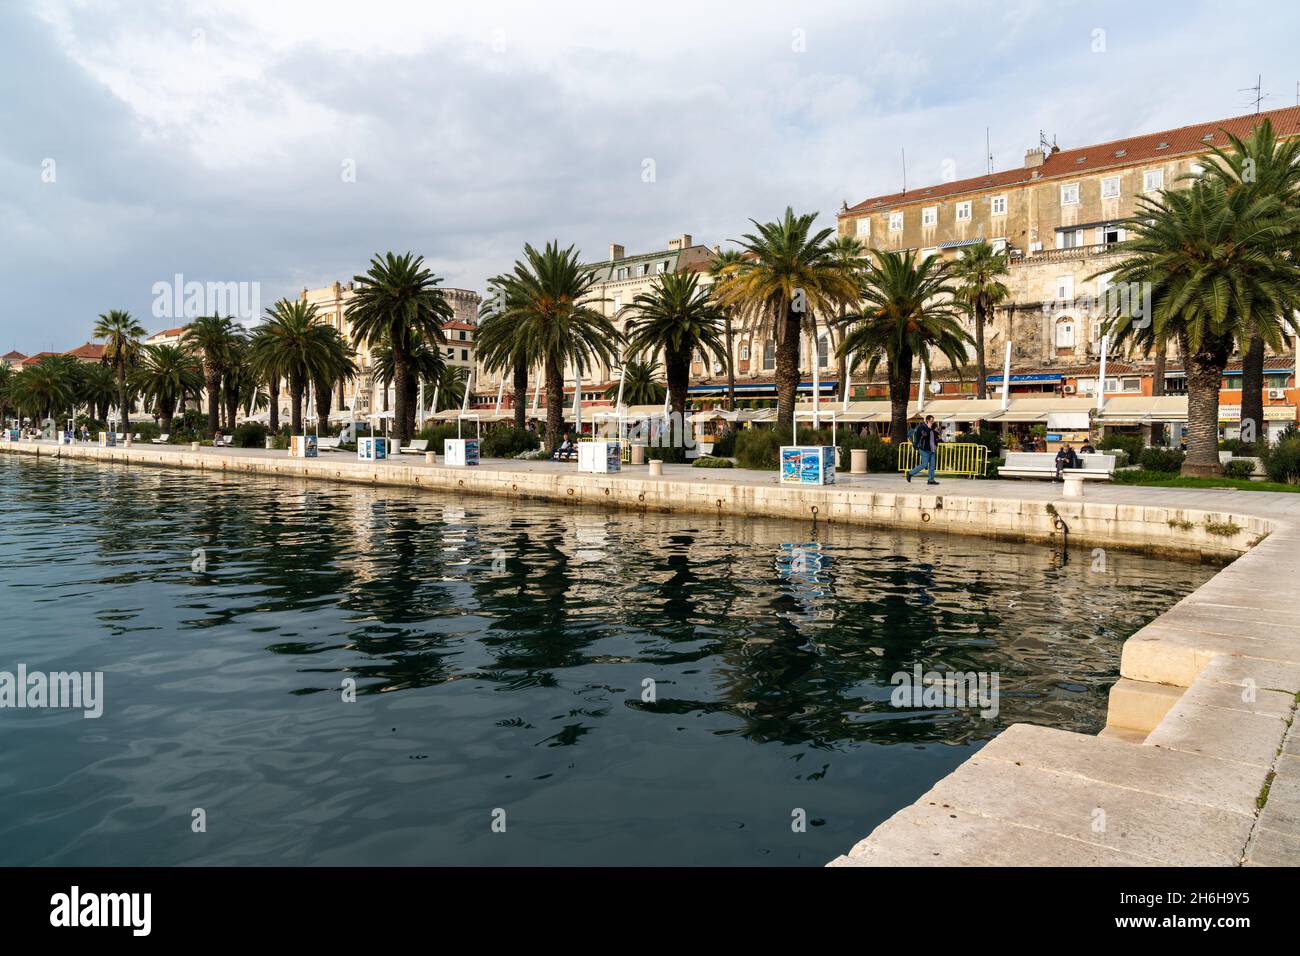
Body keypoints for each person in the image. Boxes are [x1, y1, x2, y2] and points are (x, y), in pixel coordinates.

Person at [906, 415, 941, 485]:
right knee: (924, 465)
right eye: (931, 421)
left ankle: (931, 480)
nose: (932, 422)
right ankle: (910, 473)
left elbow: (936, 438)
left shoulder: (933, 428)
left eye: (933, 421)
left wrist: (936, 443)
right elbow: (925, 434)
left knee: (932, 466)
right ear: (927, 420)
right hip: (924, 449)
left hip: (932, 450)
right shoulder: (922, 427)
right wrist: (930, 428)